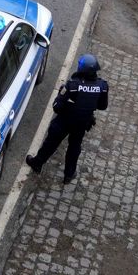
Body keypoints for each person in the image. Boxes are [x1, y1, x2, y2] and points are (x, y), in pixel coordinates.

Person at [25, 53, 109, 184]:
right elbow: (103, 106)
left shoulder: (72, 86)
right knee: (74, 147)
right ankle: (69, 175)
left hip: (65, 121)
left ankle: (37, 163)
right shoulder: (102, 86)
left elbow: (57, 107)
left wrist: (61, 95)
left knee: (51, 142)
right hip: (82, 123)